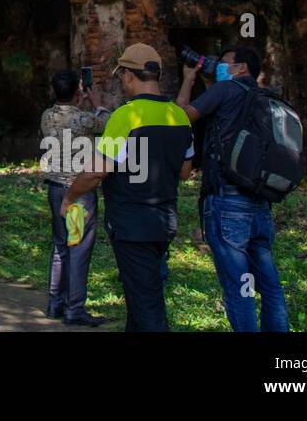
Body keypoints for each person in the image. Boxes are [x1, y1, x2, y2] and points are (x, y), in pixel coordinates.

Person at [60, 44, 193, 332]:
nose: (122, 81)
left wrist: (70, 196)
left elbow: (97, 171)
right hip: (165, 220)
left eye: (122, 76)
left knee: (147, 306)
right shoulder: (179, 116)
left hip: (132, 224)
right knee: (140, 296)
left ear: (130, 76)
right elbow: (184, 171)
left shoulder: (126, 117)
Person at [177, 44, 290, 332]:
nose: (220, 65)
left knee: (239, 288)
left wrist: (189, 78)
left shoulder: (226, 90)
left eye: (225, 62)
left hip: (227, 202)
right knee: (270, 285)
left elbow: (181, 117)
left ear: (241, 68)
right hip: (259, 201)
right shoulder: (263, 96)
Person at [39, 69, 109, 326]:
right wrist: (97, 102)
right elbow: (109, 123)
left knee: (60, 247)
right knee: (78, 248)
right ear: (78, 93)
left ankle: (55, 302)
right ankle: (75, 308)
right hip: (78, 192)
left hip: (55, 189)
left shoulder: (46, 116)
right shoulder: (84, 120)